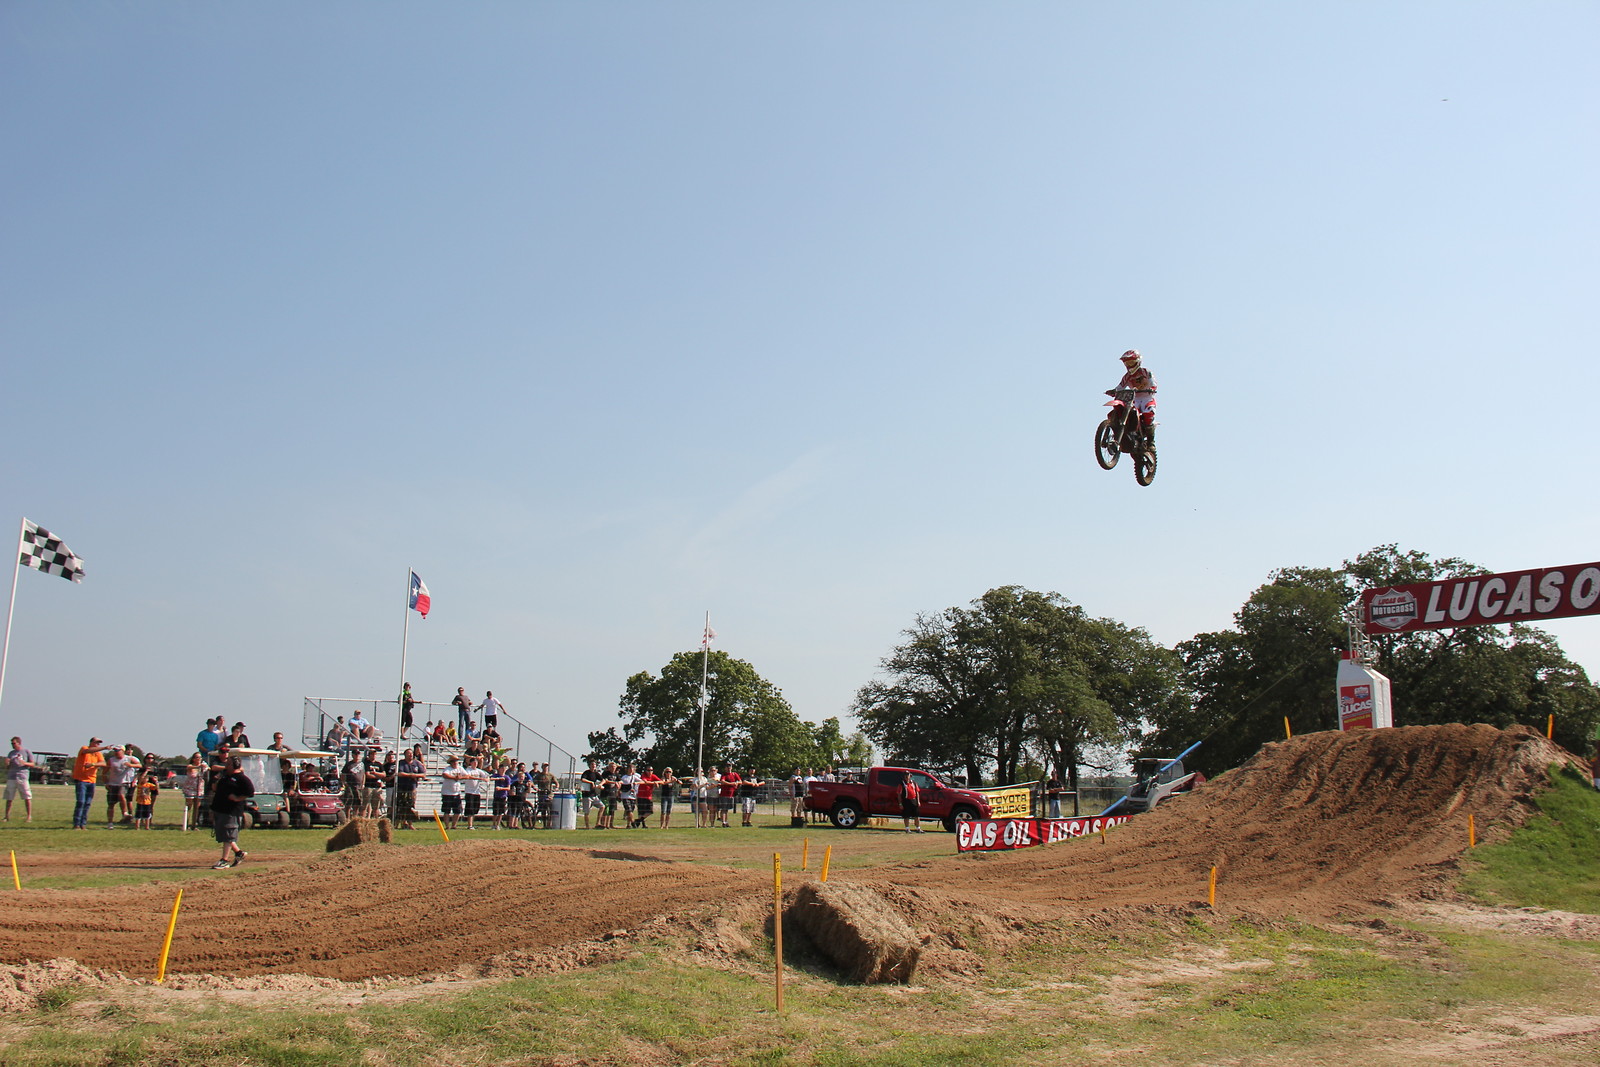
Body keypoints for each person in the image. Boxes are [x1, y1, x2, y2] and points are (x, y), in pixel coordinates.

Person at [209, 754, 255, 868]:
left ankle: (224, 860)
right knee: (225, 835)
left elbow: (250, 791)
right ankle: (239, 853)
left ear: (235, 765)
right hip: (220, 809)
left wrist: (238, 798)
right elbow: (217, 789)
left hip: (231, 811)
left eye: (229, 763)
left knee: (228, 835)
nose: (226, 765)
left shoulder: (241, 778)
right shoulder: (225, 776)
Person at [1108, 348, 1157, 448]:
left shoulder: (1145, 372)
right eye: (1127, 363)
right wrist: (1114, 391)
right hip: (1134, 399)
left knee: (1148, 414)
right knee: (1126, 412)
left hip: (1147, 398)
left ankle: (1151, 442)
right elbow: (1120, 386)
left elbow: (1153, 383)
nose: (1129, 365)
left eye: (1131, 362)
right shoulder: (1127, 376)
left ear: (1138, 362)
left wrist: (1152, 388)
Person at [71, 738, 107, 830]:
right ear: (91, 742)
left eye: (99, 743)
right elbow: (87, 751)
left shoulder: (98, 754)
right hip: (81, 780)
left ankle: (83, 824)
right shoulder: (84, 748)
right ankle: (76, 823)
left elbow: (103, 763)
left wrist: (93, 764)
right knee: (81, 802)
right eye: (96, 742)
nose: (98, 745)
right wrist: (104, 748)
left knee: (87, 803)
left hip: (92, 781)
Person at [5, 737, 37, 822]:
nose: (12, 745)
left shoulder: (26, 751)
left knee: (27, 796)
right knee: (9, 797)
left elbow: (33, 764)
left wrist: (24, 763)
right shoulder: (11, 753)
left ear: (19, 743)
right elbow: (8, 766)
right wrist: (7, 763)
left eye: (14, 743)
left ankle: (29, 816)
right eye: (11, 743)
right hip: (12, 776)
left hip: (22, 776)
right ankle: (6, 816)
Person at [439, 755, 465, 830]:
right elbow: (445, 775)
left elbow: (467, 775)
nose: (455, 763)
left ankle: (454, 825)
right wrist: (454, 778)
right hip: (447, 793)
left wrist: (460, 777)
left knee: (457, 811)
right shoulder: (448, 769)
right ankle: (447, 826)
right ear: (451, 762)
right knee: (447, 810)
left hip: (456, 793)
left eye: (456, 761)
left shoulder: (460, 768)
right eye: (454, 761)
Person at [180, 754, 205, 831]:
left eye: (200, 757)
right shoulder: (191, 766)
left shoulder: (203, 765)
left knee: (196, 808)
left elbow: (208, 769)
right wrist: (198, 767)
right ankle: (185, 824)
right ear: (193, 759)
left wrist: (203, 767)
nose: (199, 759)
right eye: (197, 757)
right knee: (189, 806)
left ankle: (194, 825)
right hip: (190, 788)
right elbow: (189, 767)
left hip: (199, 788)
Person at [579, 760, 602, 829]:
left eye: (594, 765)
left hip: (594, 795)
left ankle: (598, 823)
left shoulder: (596, 773)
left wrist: (600, 784)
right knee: (587, 811)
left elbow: (603, 779)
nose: (593, 766)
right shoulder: (586, 772)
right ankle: (587, 826)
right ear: (589, 765)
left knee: (602, 807)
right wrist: (591, 782)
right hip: (587, 795)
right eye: (592, 764)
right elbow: (582, 779)